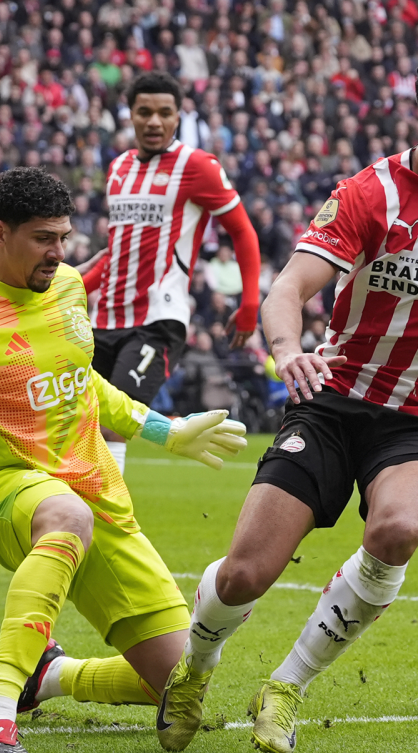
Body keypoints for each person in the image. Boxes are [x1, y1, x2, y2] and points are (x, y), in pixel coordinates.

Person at [155, 50, 418, 753]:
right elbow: (289, 288)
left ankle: (285, 685)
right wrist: (287, 351)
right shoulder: (370, 194)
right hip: (335, 401)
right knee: (246, 571)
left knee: (398, 529)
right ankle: (197, 664)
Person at [0, 167, 247, 753]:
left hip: (98, 497)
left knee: (176, 683)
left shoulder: (69, 287)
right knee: (65, 514)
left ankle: (47, 676)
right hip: (6, 489)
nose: (58, 252)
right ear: (0, 233)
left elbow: (84, 386)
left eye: (64, 237)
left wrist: (165, 430)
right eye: (43, 239)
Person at [80, 71, 262, 474]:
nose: (154, 122)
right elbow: (117, 253)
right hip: (104, 318)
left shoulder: (197, 166)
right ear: (130, 115)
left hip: (157, 321)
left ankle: (106, 523)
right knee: (80, 423)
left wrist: (250, 303)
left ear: (178, 116)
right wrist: (74, 285)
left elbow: (243, 231)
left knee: (116, 422)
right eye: (144, 112)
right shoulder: (119, 168)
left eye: (165, 113)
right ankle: (78, 516)